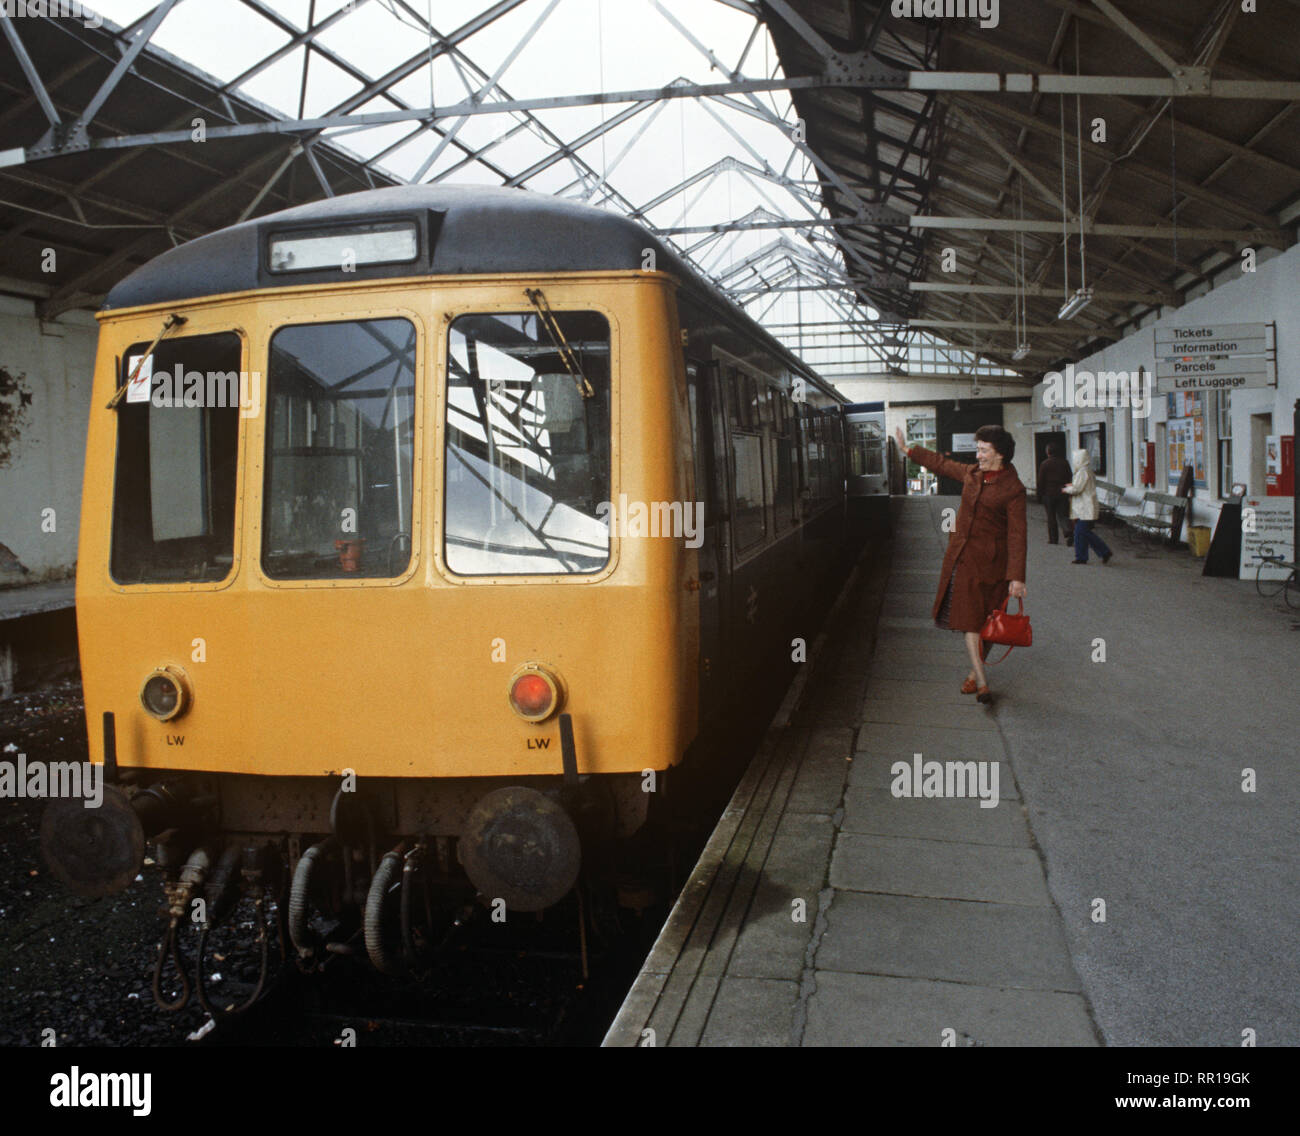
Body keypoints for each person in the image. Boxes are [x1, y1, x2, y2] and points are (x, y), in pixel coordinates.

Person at [895, 424, 1027, 703]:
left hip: (994, 565)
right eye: (978, 449)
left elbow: (1017, 534)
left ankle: (972, 673)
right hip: (964, 560)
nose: (977, 455)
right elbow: (942, 464)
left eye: (983, 450)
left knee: (990, 623)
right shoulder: (972, 475)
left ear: (999, 454)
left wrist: (1016, 577)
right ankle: (981, 683)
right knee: (970, 622)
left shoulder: (1013, 490)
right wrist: (909, 450)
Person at [1062, 446, 1113, 565]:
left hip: (1084, 507)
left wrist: (1066, 490)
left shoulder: (1082, 472)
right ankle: (1084, 556)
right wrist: (1072, 485)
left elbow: (1077, 489)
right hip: (1085, 506)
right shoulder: (1087, 471)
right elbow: (1082, 485)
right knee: (1082, 532)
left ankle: (1099, 552)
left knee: (1081, 531)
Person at [1036, 442, 1074, 545]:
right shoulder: (1065, 462)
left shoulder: (1045, 464)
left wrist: (1039, 495)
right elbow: (1070, 476)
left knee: (1051, 516)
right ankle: (1068, 531)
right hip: (1062, 492)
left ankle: (1053, 539)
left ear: (1048, 452)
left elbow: (1040, 481)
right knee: (1063, 515)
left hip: (1049, 493)